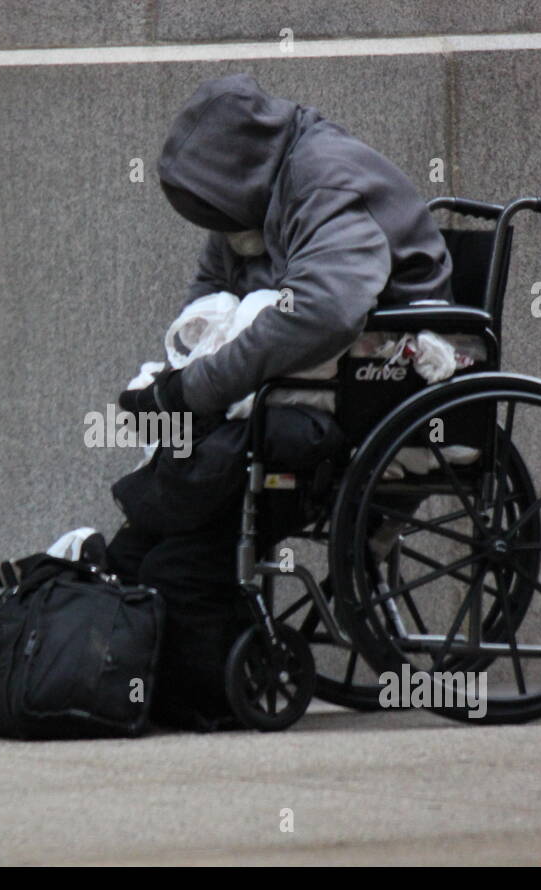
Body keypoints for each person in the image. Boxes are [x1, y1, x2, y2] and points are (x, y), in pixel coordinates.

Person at [107, 74, 452, 730]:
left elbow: (326, 309)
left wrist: (202, 388)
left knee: (221, 473)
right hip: (309, 379)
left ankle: (201, 651)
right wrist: (182, 369)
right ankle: (138, 603)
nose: (222, 229)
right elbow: (213, 285)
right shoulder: (253, 185)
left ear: (241, 172)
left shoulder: (322, 179)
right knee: (155, 524)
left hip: (373, 383)